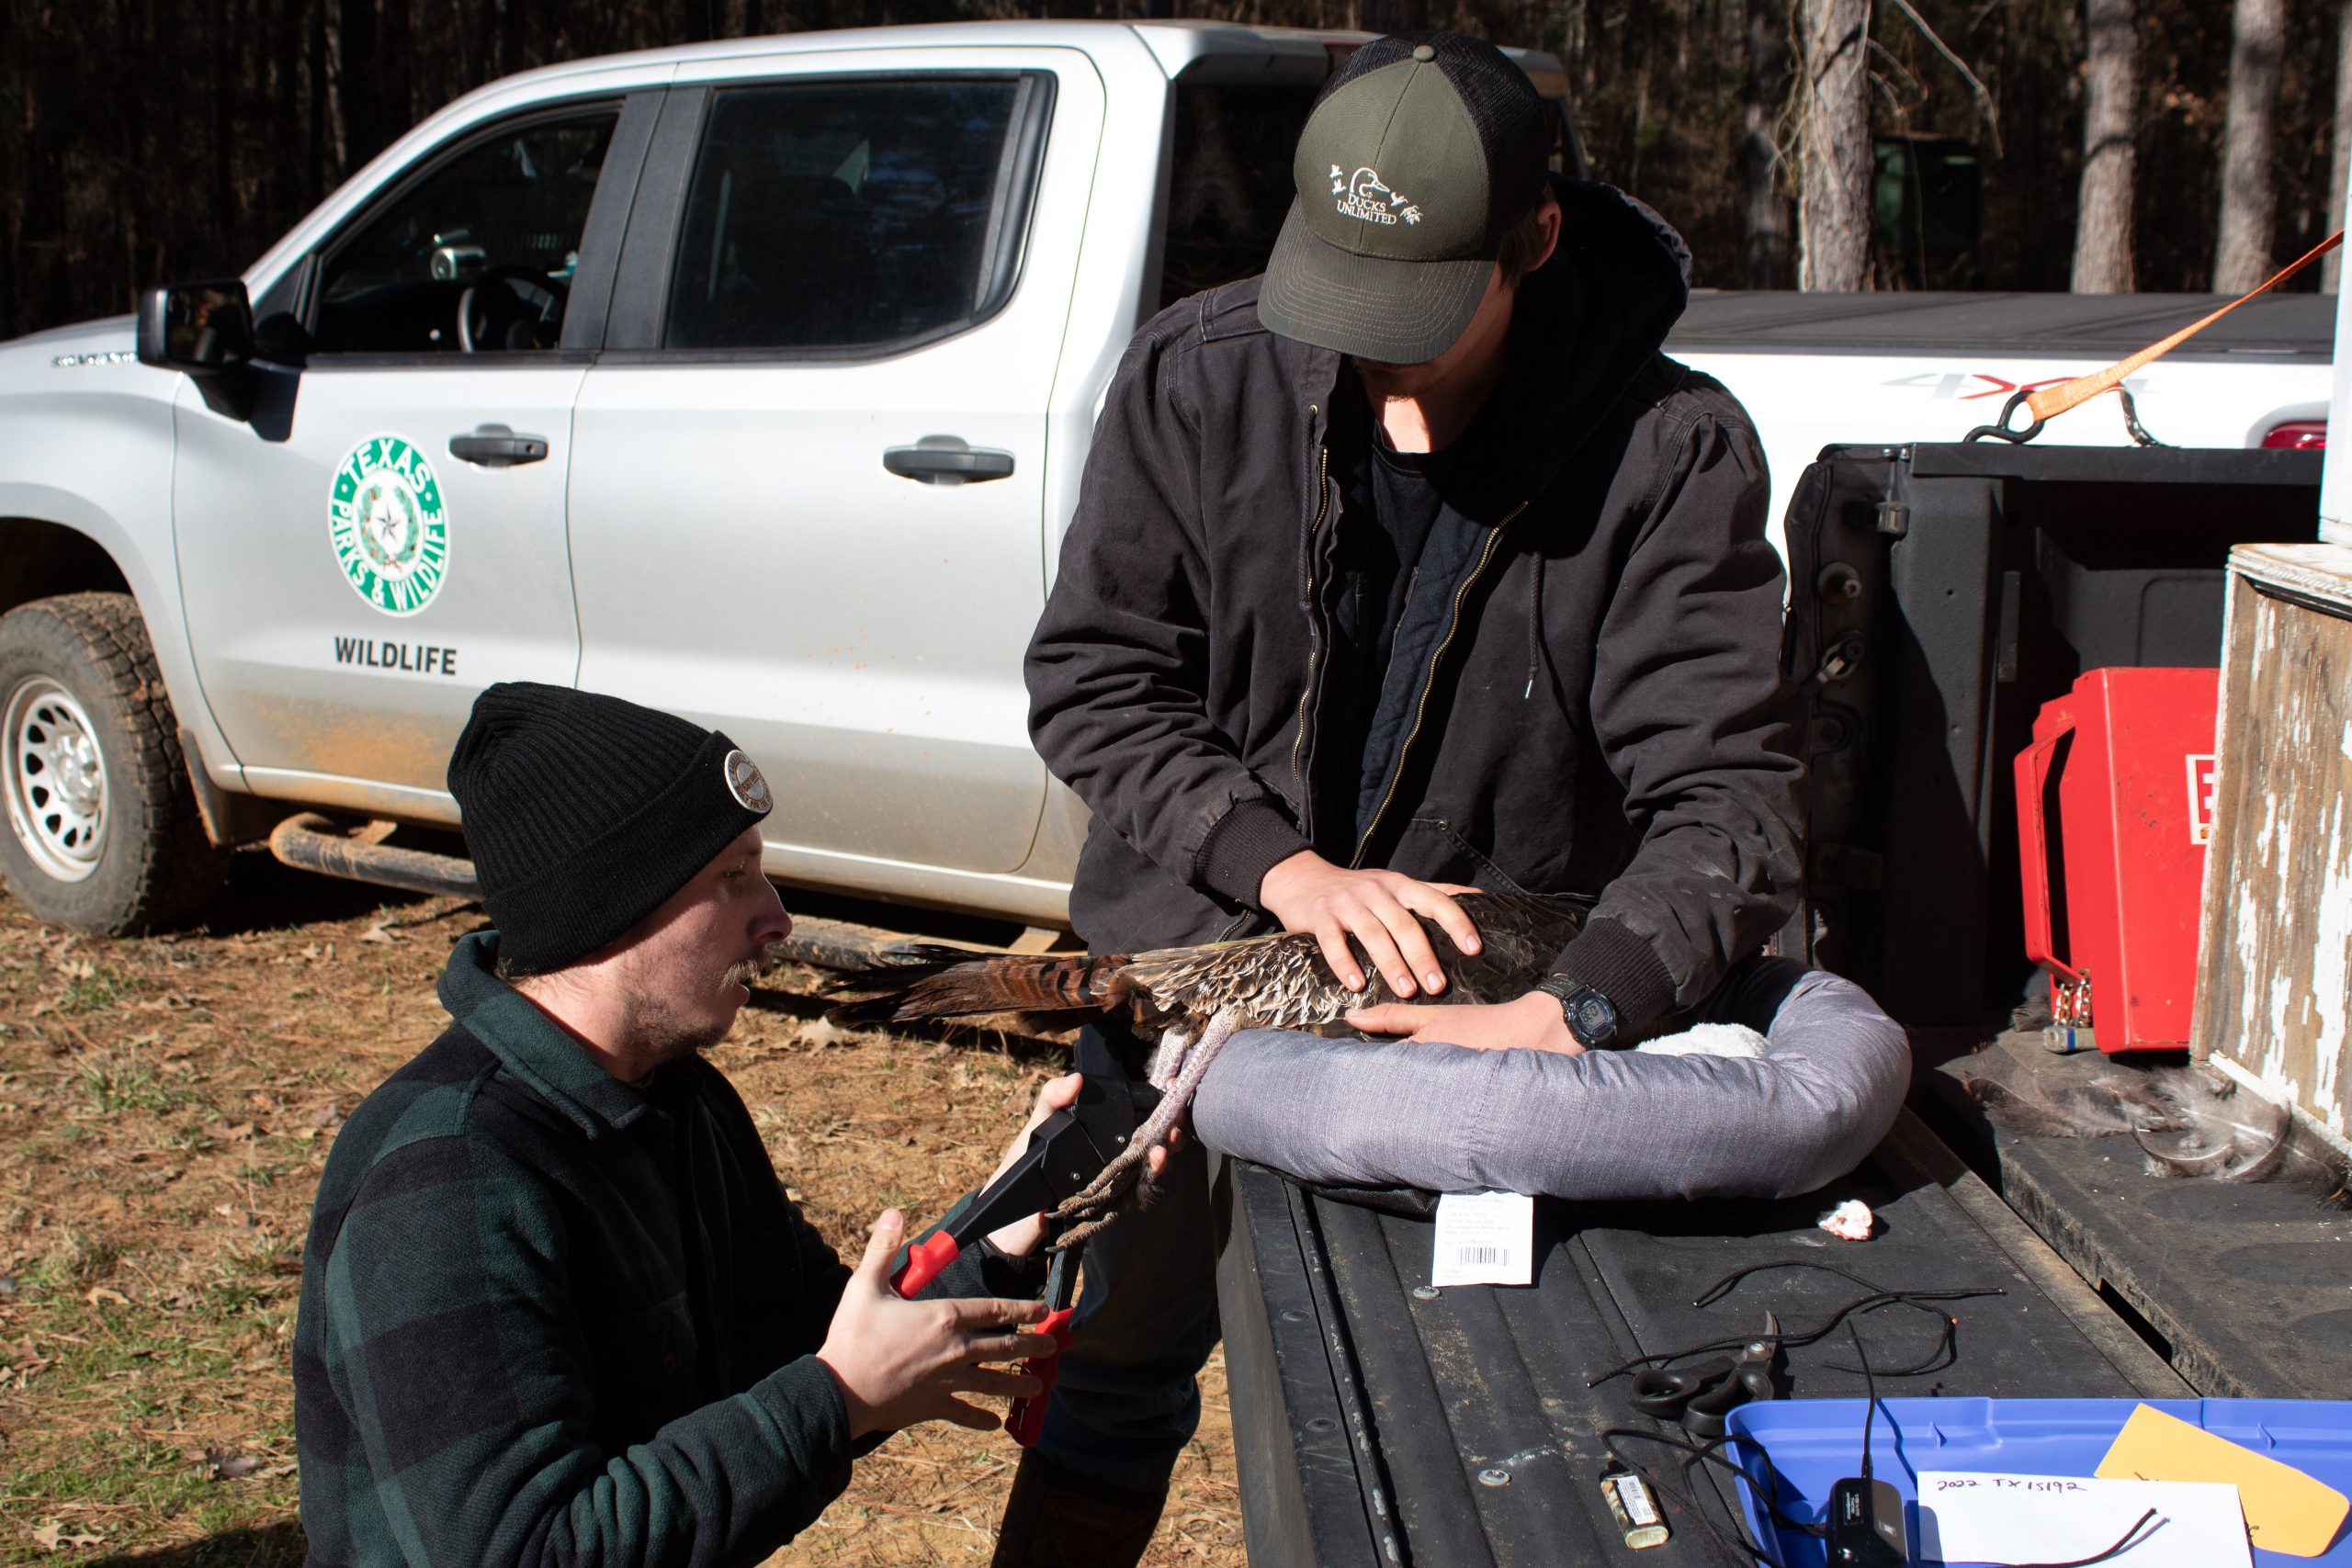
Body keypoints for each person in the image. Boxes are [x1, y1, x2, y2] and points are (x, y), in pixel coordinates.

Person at [1003, 32, 1810, 1564]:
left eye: (1419, 318)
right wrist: (1281, 866)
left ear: (1537, 241)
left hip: (1479, 1030)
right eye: (1346, 304)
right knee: (1102, 1381)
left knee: (1473, 1442)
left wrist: (1573, 1010)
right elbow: (1097, 683)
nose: (1377, 360)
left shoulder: (1664, 452)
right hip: (1193, 971)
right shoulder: (1200, 376)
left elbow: (1731, 799)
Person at [292, 683, 1070, 1565]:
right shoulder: (445, 1183)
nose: (777, 917)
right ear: (611, 902)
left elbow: (808, 1340)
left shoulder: (676, 1099)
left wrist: (1002, 1225)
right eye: (732, 876)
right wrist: (839, 1397)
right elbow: (528, 1550)